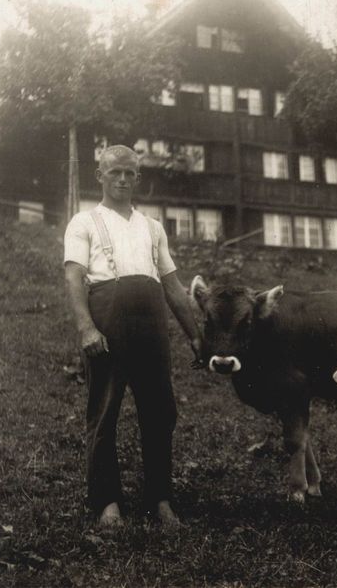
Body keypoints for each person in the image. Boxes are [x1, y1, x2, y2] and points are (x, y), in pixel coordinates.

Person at [63, 145, 203, 528]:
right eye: (114, 173)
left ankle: (160, 499)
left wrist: (195, 335)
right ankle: (107, 502)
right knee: (105, 409)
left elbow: (173, 286)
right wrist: (86, 327)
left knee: (160, 412)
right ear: (100, 176)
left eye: (129, 173)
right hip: (108, 317)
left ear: (138, 178)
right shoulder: (84, 222)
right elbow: (74, 277)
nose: (122, 179)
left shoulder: (152, 227)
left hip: (151, 323)